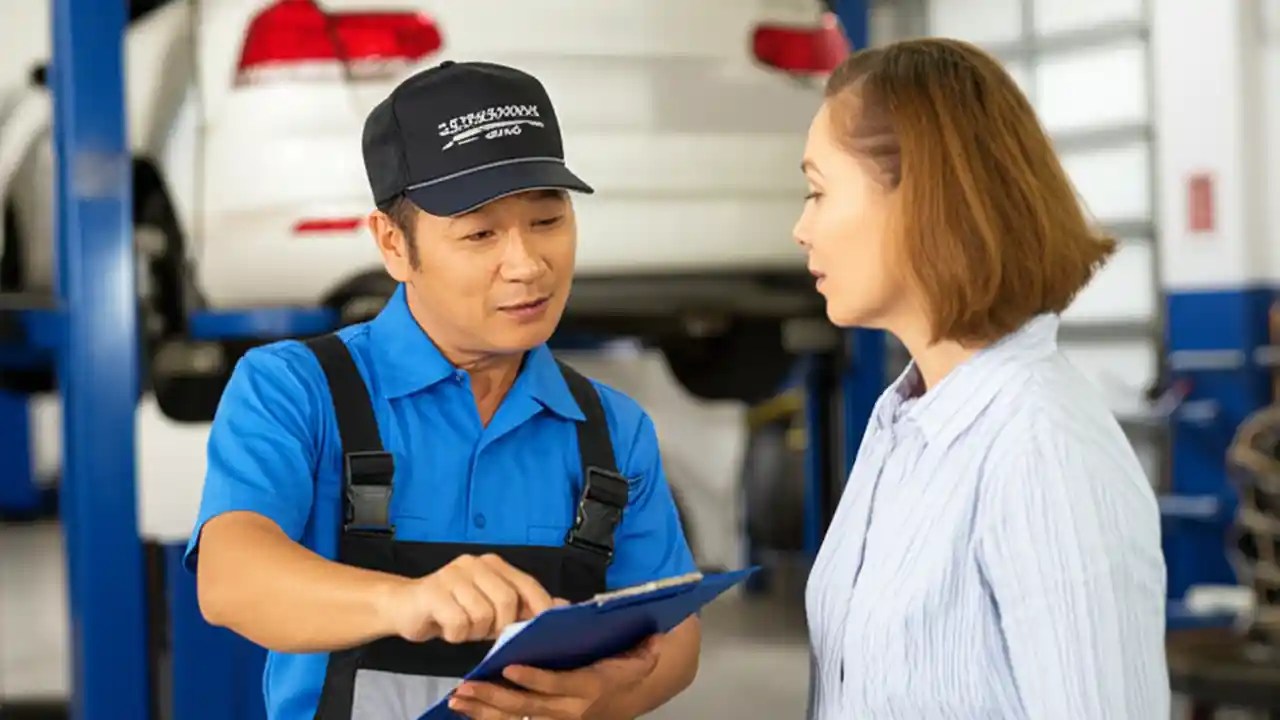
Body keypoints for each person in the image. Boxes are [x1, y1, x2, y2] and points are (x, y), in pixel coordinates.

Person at [184, 60, 702, 720]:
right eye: (480, 234)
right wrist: (405, 600)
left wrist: (597, 698)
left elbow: (676, 635)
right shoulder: (295, 391)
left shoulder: (612, 431)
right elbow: (230, 579)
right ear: (393, 244)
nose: (527, 265)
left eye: (548, 220)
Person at [794, 38, 1169, 719]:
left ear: (919, 200)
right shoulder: (901, 423)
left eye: (819, 192)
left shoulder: (1042, 450)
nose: (801, 228)